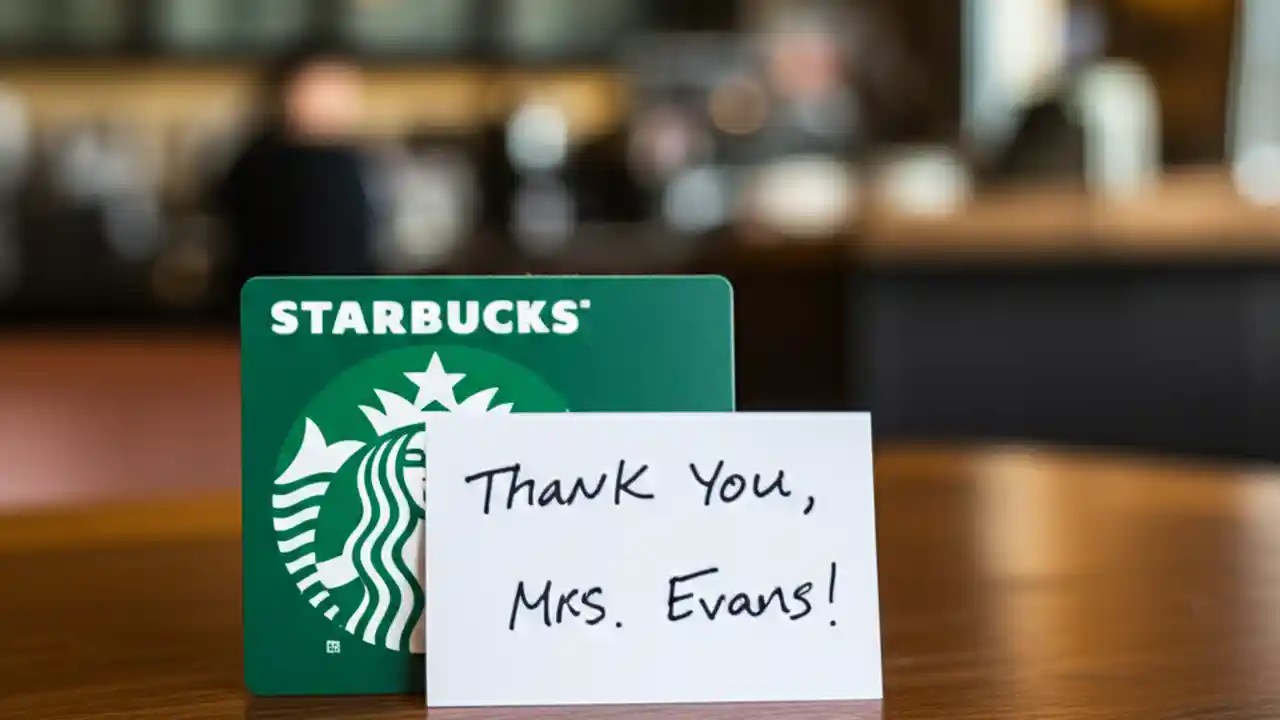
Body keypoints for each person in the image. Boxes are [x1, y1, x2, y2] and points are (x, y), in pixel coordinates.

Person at [213, 45, 375, 306]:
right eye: (326, 89)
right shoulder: (265, 165)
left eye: (347, 90)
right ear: (289, 92)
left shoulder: (349, 162)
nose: (340, 102)